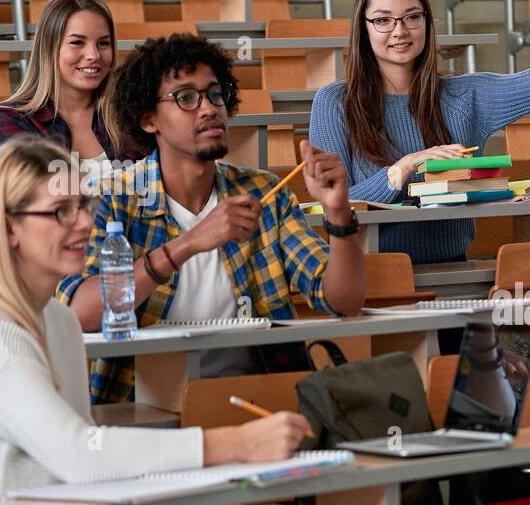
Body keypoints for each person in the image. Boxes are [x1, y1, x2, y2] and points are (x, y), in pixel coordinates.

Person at [0, 136, 314, 505]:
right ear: (9, 228)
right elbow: (79, 455)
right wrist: (236, 444)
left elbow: (78, 464)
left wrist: (175, 494)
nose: (84, 222)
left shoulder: (59, 321)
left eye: (85, 204)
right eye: (61, 211)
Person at [55, 33, 365, 404]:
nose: (208, 109)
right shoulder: (114, 198)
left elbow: (342, 301)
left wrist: (337, 212)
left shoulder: (262, 192)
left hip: (260, 398)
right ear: (148, 118)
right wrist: (188, 243)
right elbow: (78, 315)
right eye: (186, 97)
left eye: (215, 94)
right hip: (144, 409)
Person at [309, 0, 530, 266]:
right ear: (363, 29)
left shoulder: (464, 97)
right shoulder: (333, 103)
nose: (400, 31)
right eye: (383, 20)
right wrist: (403, 168)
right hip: (369, 275)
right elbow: (333, 202)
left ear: (426, 23)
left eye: (412, 17)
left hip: (453, 268)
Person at [0, 0, 141, 163]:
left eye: (103, 43)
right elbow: (42, 187)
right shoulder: (10, 119)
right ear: (50, 49)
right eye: (77, 42)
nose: (94, 55)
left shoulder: (129, 114)